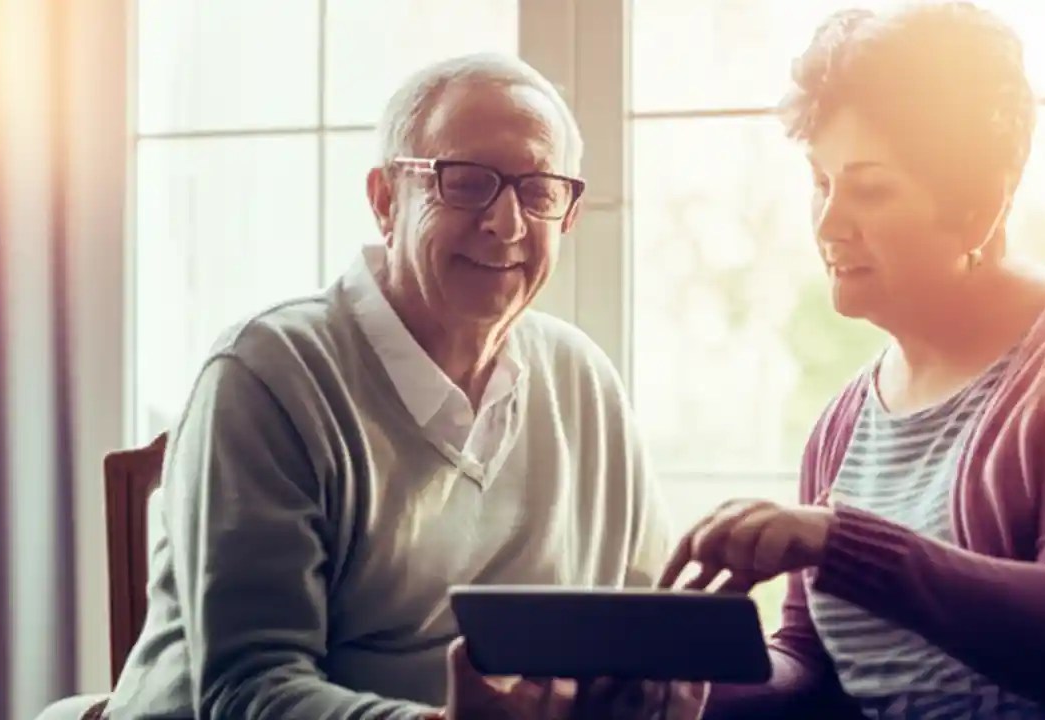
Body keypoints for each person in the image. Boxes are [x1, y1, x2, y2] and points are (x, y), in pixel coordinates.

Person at [81, 53, 693, 720]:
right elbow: (246, 692)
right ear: (384, 200)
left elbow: (649, 630)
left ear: (566, 214)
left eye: (538, 190)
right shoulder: (266, 375)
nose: (506, 224)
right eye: (464, 182)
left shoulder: (584, 381)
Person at [660, 4, 1045, 719]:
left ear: (978, 202)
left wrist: (840, 541)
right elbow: (810, 672)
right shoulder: (845, 421)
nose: (826, 223)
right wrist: (673, 691)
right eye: (821, 181)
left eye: (870, 188)